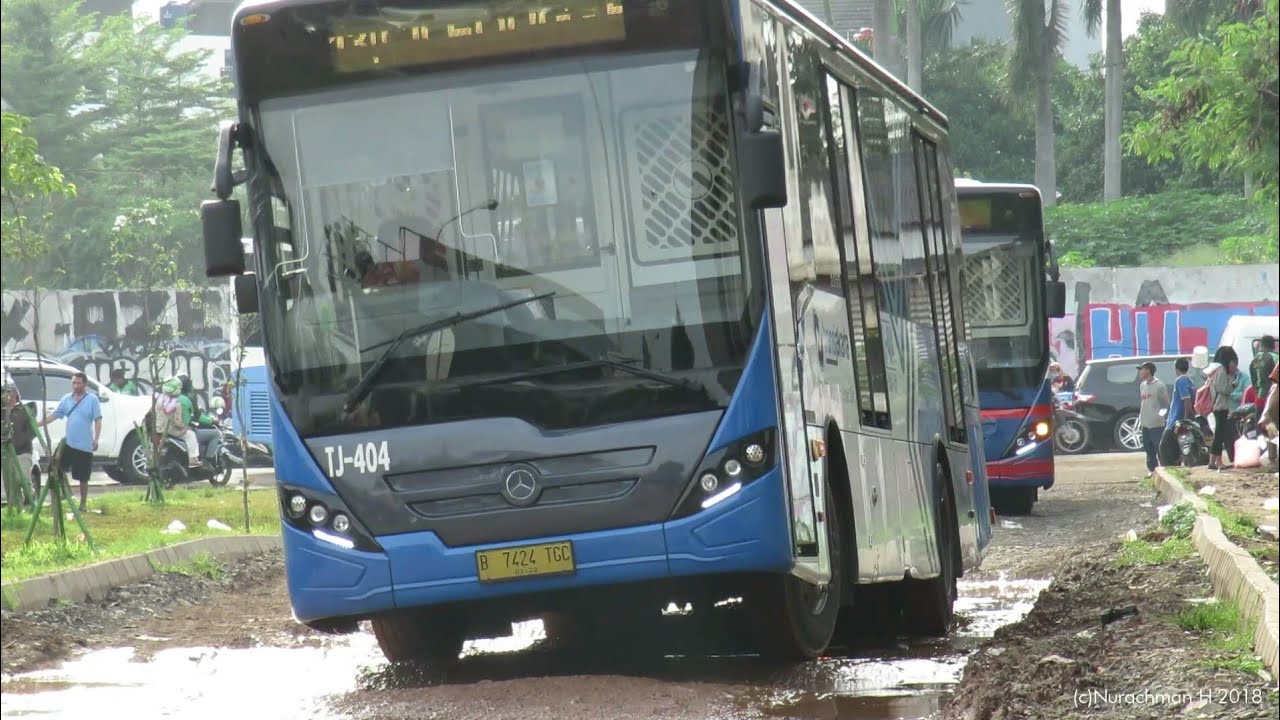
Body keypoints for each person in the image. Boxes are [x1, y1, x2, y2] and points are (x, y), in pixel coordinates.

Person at [36, 372, 102, 512]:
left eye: (78, 383)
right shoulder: (66, 399)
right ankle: (61, 496)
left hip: (85, 445)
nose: (75, 386)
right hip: (69, 443)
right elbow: (55, 415)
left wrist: (96, 438)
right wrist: (39, 424)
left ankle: (82, 504)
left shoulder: (92, 400)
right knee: (55, 467)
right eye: (73, 383)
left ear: (85, 384)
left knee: (83, 477)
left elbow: (98, 420)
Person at [1206, 346, 1240, 470]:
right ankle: (1217, 462)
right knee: (1219, 435)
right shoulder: (1221, 370)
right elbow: (1224, 389)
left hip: (1216, 405)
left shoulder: (1213, 370)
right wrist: (1233, 384)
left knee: (1219, 434)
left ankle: (1213, 461)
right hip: (1220, 406)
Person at [155, 378, 201, 469]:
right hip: (171, 431)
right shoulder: (176, 403)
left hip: (159, 429)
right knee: (191, 435)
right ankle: (193, 460)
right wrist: (186, 427)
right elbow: (177, 422)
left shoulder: (158, 400)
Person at [1159, 357, 1197, 467]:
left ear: (1176, 368)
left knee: (1164, 447)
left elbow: (1187, 400)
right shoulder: (1190, 381)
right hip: (1181, 420)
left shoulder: (1180, 380)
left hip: (1175, 421)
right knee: (1176, 449)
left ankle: (1169, 469)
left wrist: (1185, 420)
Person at [2, 384, 36, 507]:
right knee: (11, 485)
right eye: (3, 392)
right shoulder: (3, 412)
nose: (5, 395)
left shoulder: (24, 410)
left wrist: (20, 442)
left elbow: (32, 431)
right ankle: (16, 510)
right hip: (6, 454)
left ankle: (30, 500)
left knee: (22, 479)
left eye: (8, 391)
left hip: (23, 451)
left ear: (15, 394)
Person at [1137, 361, 1170, 478]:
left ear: (1148, 371)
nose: (1140, 372)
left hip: (1157, 424)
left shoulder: (1159, 385)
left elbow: (1165, 403)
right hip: (1145, 423)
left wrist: (1160, 416)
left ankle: (1164, 471)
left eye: (1142, 369)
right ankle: (1152, 471)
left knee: (1159, 448)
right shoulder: (1142, 385)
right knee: (1148, 449)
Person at [1250, 335, 1278, 411]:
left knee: (1259, 418)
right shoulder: (1276, 357)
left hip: (1258, 399)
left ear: (1261, 345)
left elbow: (1253, 381)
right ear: (1273, 345)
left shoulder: (1254, 360)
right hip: (1272, 400)